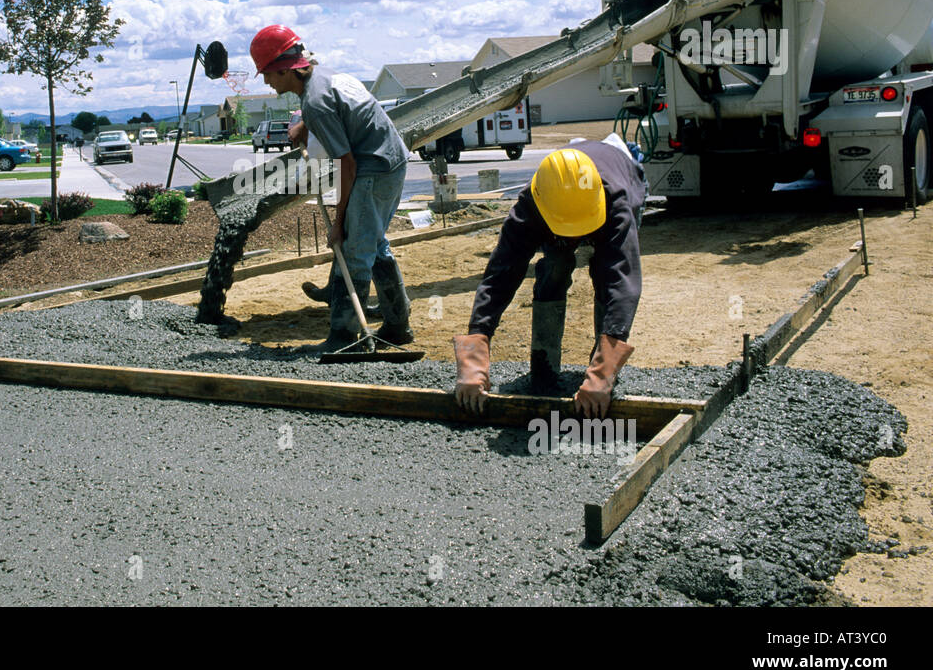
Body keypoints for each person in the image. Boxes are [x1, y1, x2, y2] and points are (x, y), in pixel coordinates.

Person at [454, 134, 647, 419]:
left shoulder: (618, 202)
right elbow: (500, 274)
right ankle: (543, 369)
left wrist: (602, 373)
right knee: (555, 265)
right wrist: (475, 347)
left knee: (606, 278)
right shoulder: (532, 202)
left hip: (615, 180)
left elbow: (623, 284)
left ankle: (602, 374)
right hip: (565, 195)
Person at [250, 24, 413, 352]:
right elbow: (335, 107)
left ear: (285, 69)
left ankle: (343, 337)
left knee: (354, 250)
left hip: (372, 169)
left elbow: (346, 166)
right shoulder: (324, 76)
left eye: (268, 74)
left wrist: (339, 224)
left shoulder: (314, 102)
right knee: (373, 242)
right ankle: (398, 326)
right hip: (393, 159)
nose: (266, 81)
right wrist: (304, 126)